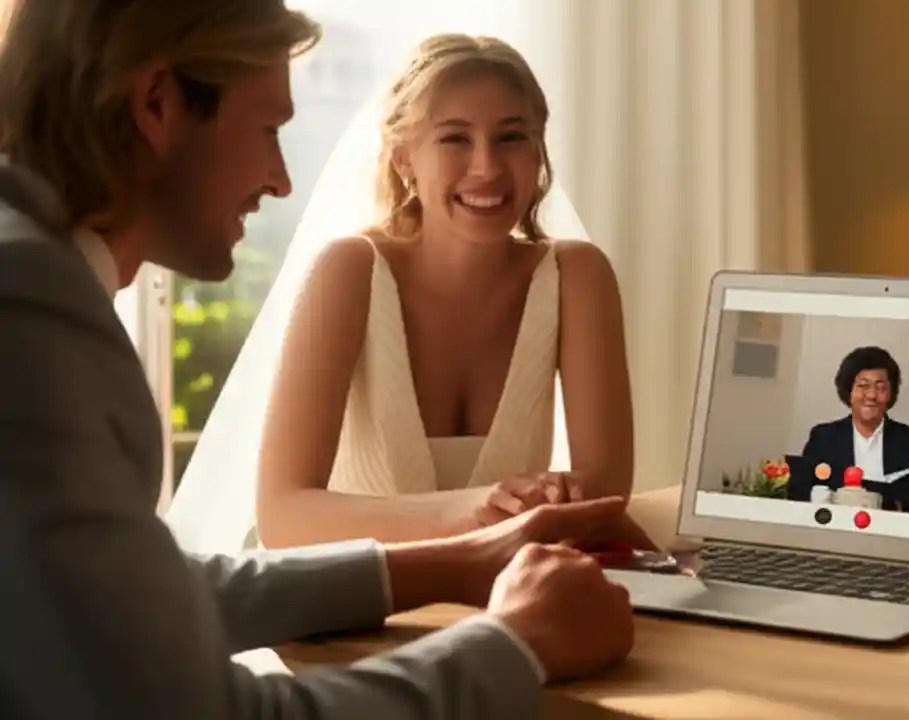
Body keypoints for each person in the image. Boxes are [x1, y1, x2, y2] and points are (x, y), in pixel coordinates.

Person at [0, 2, 634, 717]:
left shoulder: (30, 276)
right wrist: (519, 642)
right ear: (157, 105)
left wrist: (464, 559)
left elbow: (120, 590)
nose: (281, 180)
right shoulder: (26, 309)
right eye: (269, 128)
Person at [165, 32, 638, 554]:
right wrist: (471, 507)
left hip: (510, 602)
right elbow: (282, 516)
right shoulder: (349, 272)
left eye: (512, 137)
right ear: (404, 157)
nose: (487, 166)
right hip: (354, 613)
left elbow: (607, 496)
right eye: (455, 139)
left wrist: (562, 495)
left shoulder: (577, 276)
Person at [799, 346, 909, 515]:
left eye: (880, 387)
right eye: (863, 386)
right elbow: (801, 493)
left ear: (891, 393)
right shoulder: (824, 437)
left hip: (891, 533)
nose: (871, 395)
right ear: (848, 391)